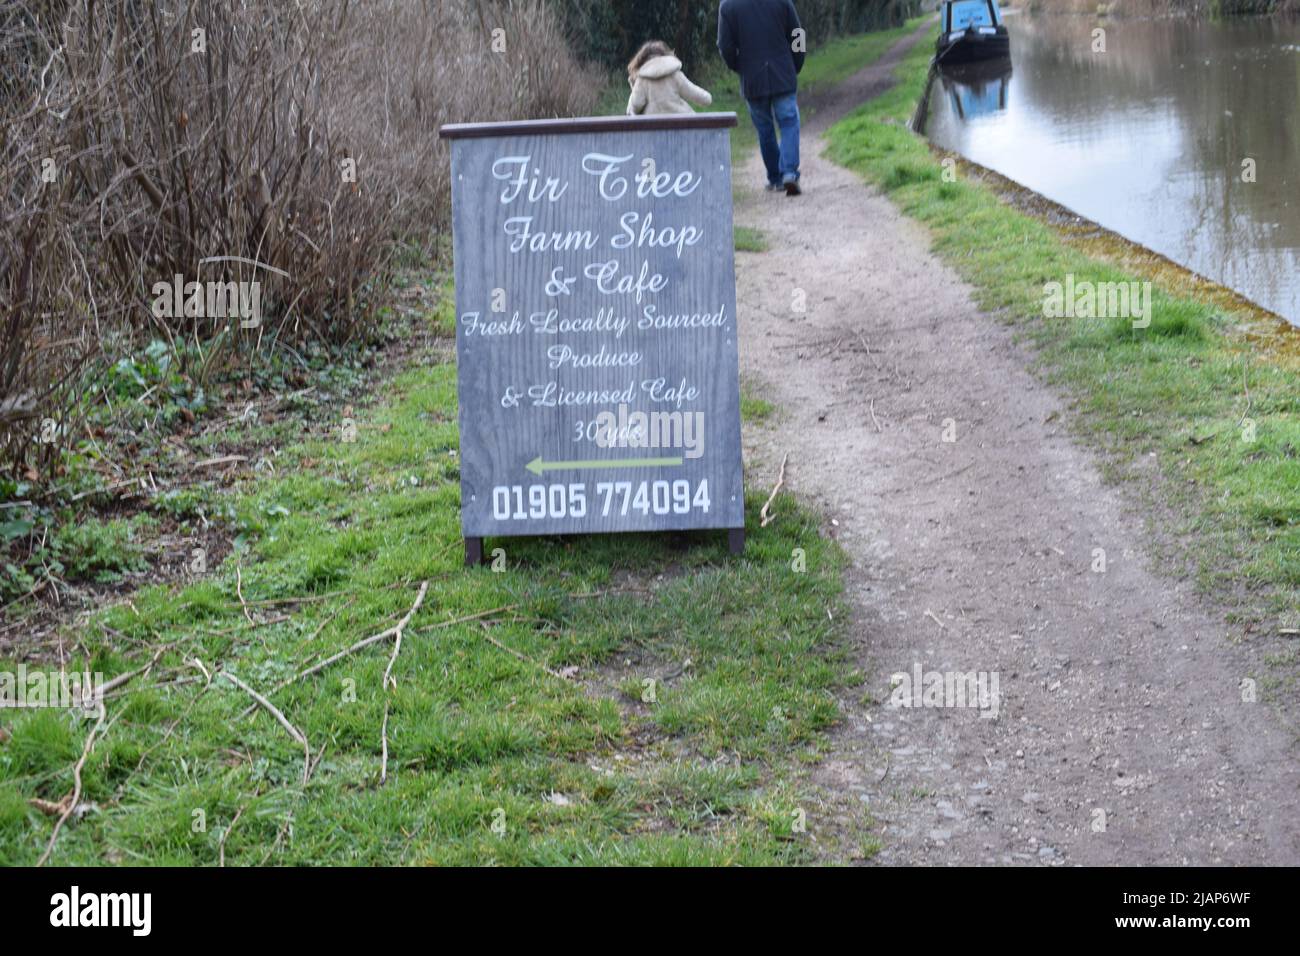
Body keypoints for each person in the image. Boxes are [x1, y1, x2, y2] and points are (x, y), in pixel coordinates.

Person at [717, 0, 805, 195]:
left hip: (752, 79)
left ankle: (775, 178)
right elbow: (798, 34)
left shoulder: (728, 5)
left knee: (765, 130)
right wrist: (796, 64)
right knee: (789, 122)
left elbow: (724, 46)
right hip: (783, 73)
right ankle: (789, 172)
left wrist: (739, 67)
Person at [626, 41, 714, 116]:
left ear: (640, 60)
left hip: (653, 126)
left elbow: (635, 106)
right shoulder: (675, 75)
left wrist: (633, 88)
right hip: (681, 120)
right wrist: (707, 98)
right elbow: (698, 95)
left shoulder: (642, 80)